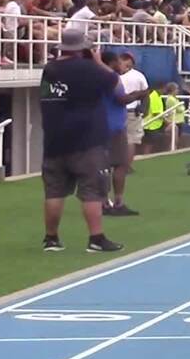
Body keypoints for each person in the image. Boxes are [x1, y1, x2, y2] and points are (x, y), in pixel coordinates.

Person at [40, 30, 123, 252]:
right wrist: (98, 62)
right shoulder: (90, 69)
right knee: (92, 191)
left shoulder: (50, 69)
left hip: (54, 140)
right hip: (87, 140)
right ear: (83, 48)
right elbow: (115, 83)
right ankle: (96, 238)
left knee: (54, 192)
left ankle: (51, 238)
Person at [113, 52, 149, 214]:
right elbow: (146, 93)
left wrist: (143, 107)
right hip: (128, 109)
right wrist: (144, 107)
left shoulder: (117, 76)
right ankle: (126, 165)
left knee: (127, 139)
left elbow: (145, 94)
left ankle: (122, 165)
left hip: (121, 110)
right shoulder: (136, 76)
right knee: (131, 140)